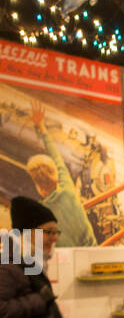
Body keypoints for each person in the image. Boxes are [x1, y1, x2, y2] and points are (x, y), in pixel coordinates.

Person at [27, 102, 96, 247]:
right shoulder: (68, 188)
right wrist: (43, 129)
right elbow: (57, 158)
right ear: (56, 176)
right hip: (92, 252)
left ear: (39, 188)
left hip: (68, 264)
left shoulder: (40, 216)